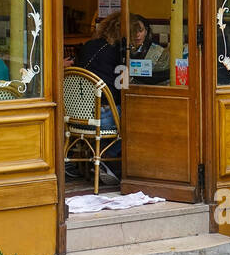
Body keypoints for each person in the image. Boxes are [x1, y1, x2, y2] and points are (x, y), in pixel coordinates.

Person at [72, 11, 124, 183]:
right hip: (103, 116)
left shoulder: (88, 45)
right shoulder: (118, 52)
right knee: (136, 120)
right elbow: (121, 87)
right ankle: (106, 157)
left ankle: (98, 159)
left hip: (76, 115)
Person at [129, 14, 170, 85]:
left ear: (146, 32)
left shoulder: (158, 51)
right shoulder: (122, 50)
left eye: (140, 31)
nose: (137, 35)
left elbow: (165, 76)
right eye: (134, 31)